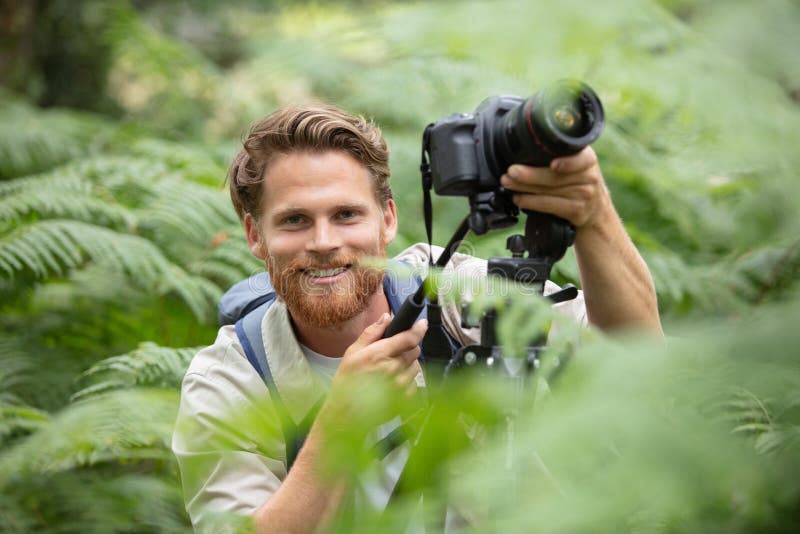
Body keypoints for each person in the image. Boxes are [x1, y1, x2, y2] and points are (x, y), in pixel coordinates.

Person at [172, 104, 662, 533]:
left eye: (346, 215)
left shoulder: (458, 301)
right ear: (255, 235)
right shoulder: (232, 381)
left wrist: (592, 215)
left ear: (387, 219)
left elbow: (640, 363)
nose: (323, 242)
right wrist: (339, 422)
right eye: (295, 220)